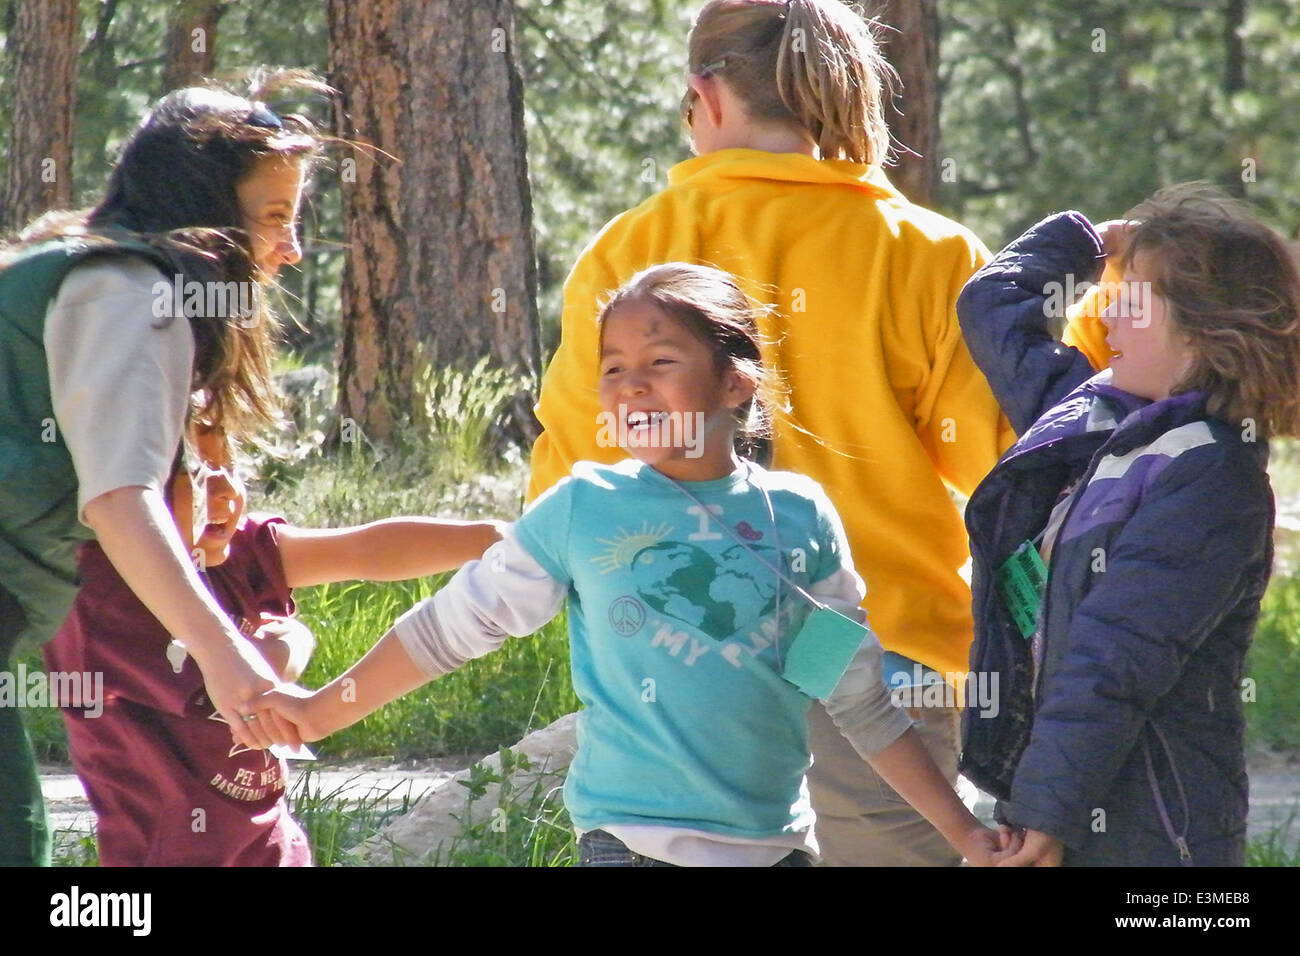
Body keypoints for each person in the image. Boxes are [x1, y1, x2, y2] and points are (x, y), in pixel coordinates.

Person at [263, 263, 1012, 867]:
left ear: (734, 383)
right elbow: (451, 629)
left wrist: (966, 835)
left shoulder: (800, 516)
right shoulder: (585, 506)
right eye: (613, 367)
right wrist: (319, 711)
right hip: (628, 845)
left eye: (660, 361)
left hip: (778, 848)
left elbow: (854, 695)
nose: (630, 385)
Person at [526, 0, 1014, 865]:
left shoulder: (630, 255)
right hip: (885, 662)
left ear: (707, 98)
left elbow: (570, 479)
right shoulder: (933, 255)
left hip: (683, 676)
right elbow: (1008, 476)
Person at [0, 77, 323, 865]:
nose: (293, 248)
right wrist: (226, 656)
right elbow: (119, 501)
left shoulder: (95, 275)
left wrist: (208, 459)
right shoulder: (129, 290)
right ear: (207, 210)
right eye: (276, 217)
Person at [956, 184, 1300, 865]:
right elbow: (992, 306)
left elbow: (1113, 662)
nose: (1105, 311)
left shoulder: (1212, 478)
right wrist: (1089, 240)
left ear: (1208, 333)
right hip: (1064, 806)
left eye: (1134, 299)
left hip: (1155, 838)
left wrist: (1043, 814)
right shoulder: (1091, 421)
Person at [44, 422, 503, 866]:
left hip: (273, 848)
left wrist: (493, 539)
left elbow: (362, 550)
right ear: (128, 491)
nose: (224, 492)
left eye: (228, 463)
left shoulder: (230, 553)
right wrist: (291, 642)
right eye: (198, 474)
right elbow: (240, 682)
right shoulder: (103, 599)